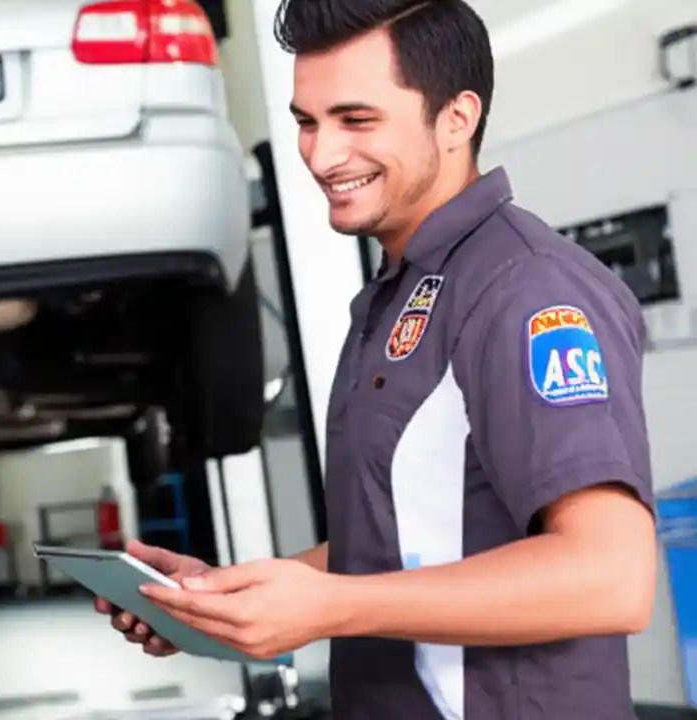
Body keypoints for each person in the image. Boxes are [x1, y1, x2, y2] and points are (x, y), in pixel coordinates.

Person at [97, 1, 657, 718]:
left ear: (456, 118)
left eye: (356, 121)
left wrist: (333, 606)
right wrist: (227, 595)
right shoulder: (401, 292)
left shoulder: (524, 288)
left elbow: (610, 575)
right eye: (307, 121)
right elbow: (417, 538)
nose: (322, 155)